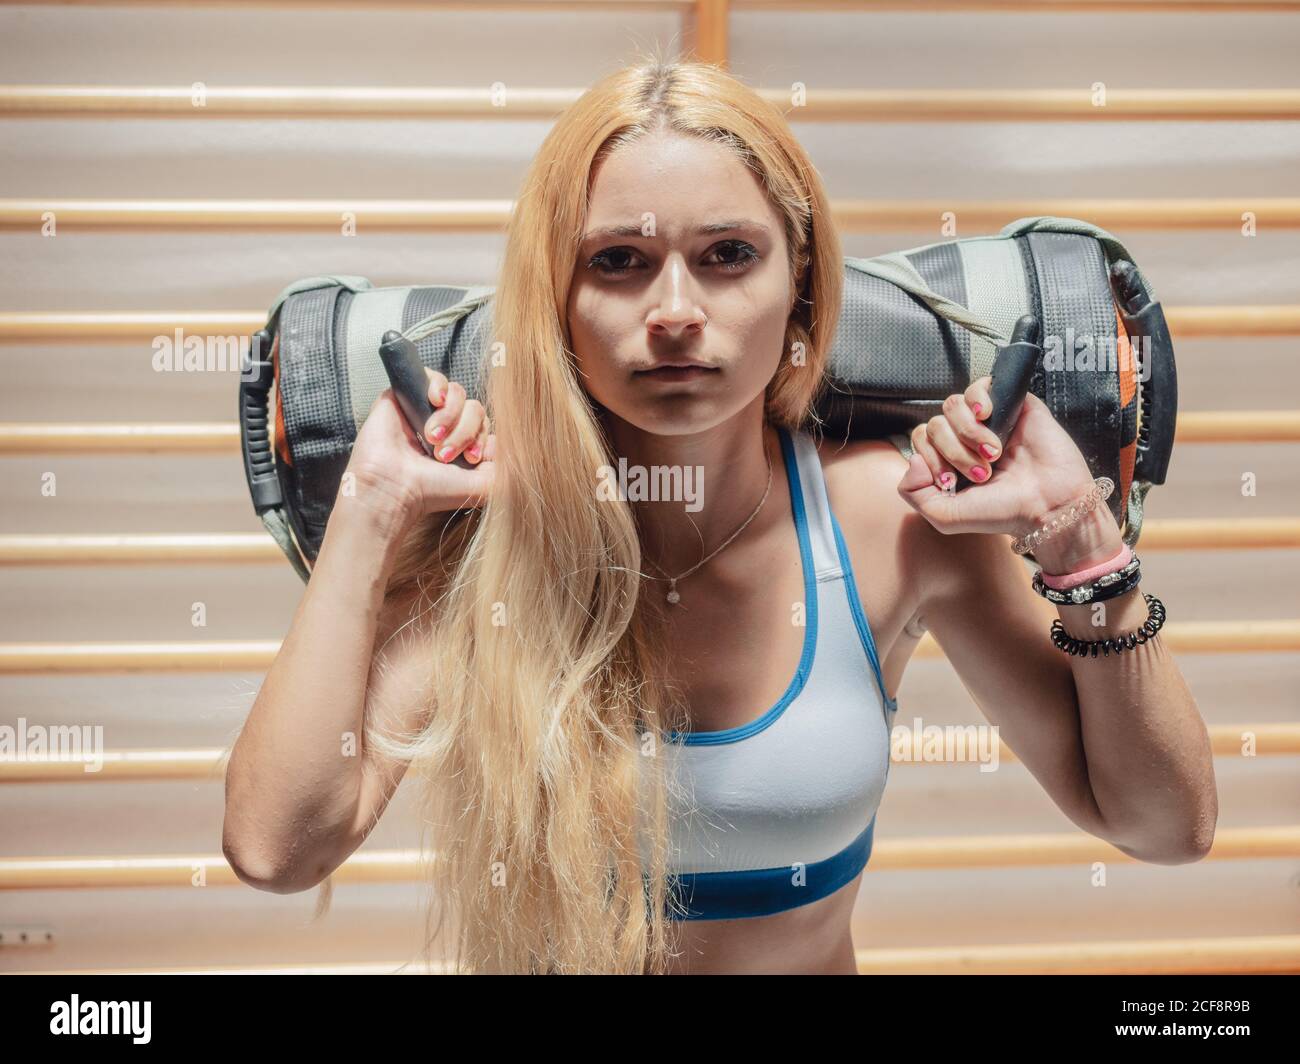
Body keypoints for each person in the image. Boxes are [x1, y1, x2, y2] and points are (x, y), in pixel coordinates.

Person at [222, 55, 1217, 976]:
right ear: (552, 301)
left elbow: (1164, 827)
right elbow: (276, 847)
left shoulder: (890, 518)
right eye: (616, 260)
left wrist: (1085, 541)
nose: (673, 310)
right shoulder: (492, 537)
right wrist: (371, 503)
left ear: (800, 289)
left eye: (729, 253)